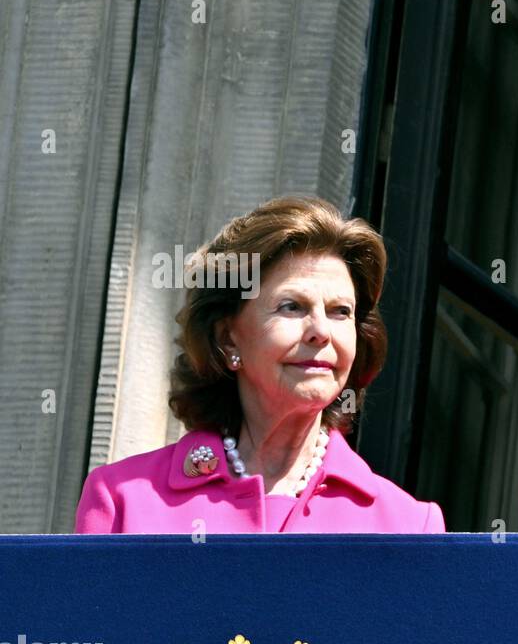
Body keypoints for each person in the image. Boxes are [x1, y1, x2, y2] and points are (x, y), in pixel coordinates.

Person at [75, 196, 445, 534]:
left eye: (340, 312)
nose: (321, 332)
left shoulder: (409, 525)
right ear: (228, 337)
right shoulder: (123, 501)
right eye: (292, 307)